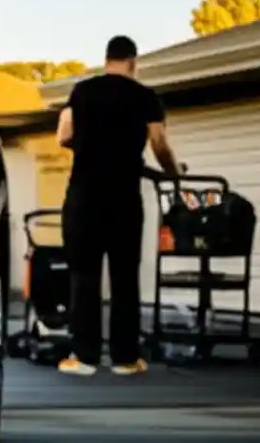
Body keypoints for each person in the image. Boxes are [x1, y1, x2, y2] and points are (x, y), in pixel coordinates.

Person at [54, 35, 183, 377]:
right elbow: (158, 142)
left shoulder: (82, 91)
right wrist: (174, 172)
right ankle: (126, 359)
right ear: (133, 62)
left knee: (84, 276)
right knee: (125, 277)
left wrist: (88, 145)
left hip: (84, 196)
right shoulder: (145, 97)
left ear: (107, 59)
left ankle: (83, 358)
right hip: (124, 199)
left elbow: (63, 134)